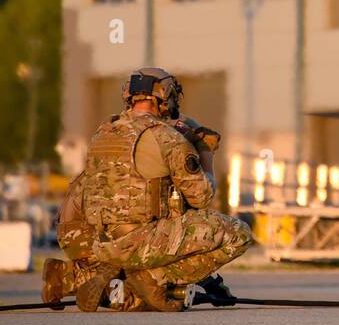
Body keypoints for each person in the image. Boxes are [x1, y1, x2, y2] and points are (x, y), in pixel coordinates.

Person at [41, 67, 253, 312]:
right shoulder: (166, 138)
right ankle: (155, 278)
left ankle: (71, 276)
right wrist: (205, 152)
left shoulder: (104, 133)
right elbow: (201, 197)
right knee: (238, 233)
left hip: (99, 243)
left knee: (135, 301)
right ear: (165, 98)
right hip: (140, 243)